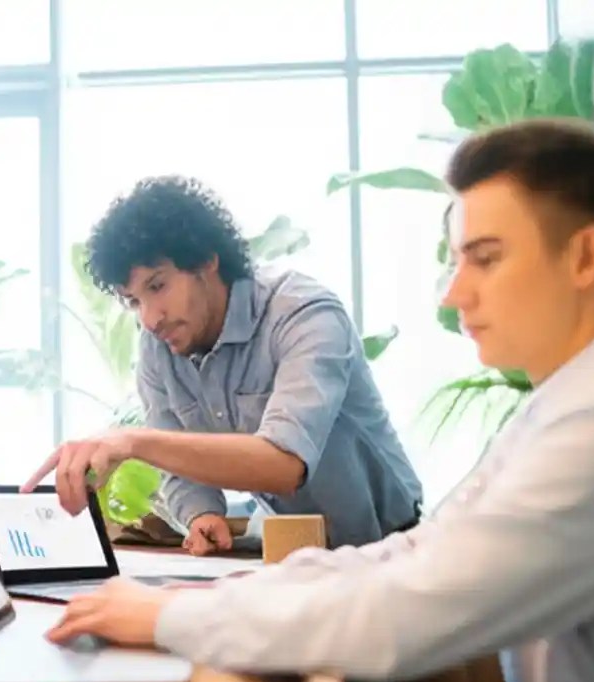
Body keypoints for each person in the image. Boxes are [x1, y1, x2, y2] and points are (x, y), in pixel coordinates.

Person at [41, 120, 594, 682]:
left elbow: (401, 614)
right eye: (455, 260)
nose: (453, 293)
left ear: (584, 258)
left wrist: (169, 619)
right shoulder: (578, 404)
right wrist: (187, 602)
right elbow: (411, 561)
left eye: (486, 256)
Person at [23, 175, 422, 554]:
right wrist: (201, 513)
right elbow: (176, 457)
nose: (149, 317)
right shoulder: (158, 346)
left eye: (157, 286)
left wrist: (131, 442)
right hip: (299, 552)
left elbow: (285, 464)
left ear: (206, 261)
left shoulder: (303, 314)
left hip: (393, 544)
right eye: (133, 301)